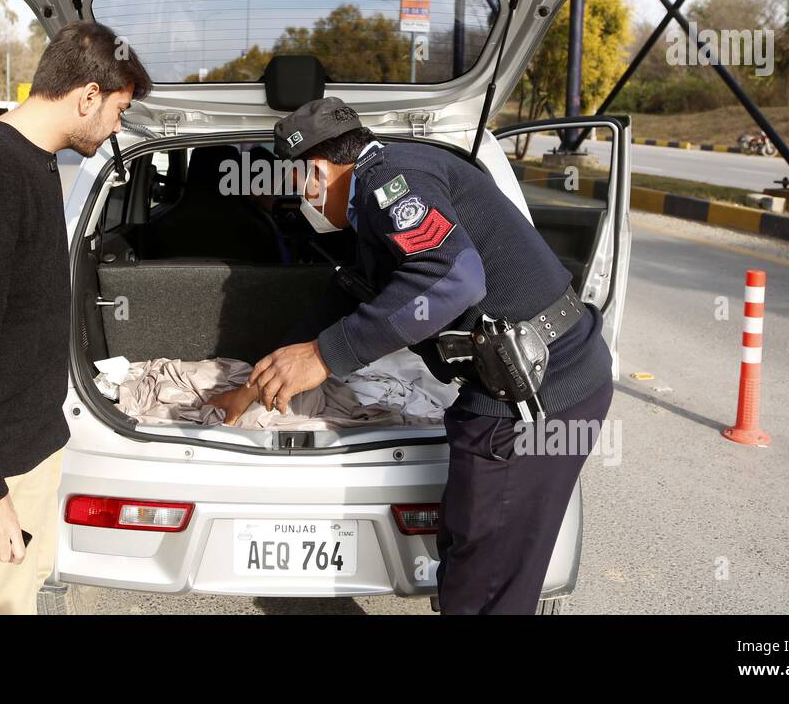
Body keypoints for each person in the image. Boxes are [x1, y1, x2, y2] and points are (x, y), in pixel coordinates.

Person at [207, 97, 615, 614]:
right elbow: (349, 298)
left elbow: (455, 278)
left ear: (315, 169)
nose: (300, 202)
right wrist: (250, 388)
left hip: (537, 395)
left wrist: (327, 358)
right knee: (469, 552)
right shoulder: (385, 187)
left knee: (484, 588)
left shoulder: (390, 182)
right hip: (522, 382)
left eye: (298, 187)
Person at [0, 21, 150, 614]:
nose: (119, 126)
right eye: (119, 110)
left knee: (22, 592)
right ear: (87, 96)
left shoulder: (35, 158)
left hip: (25, 443)